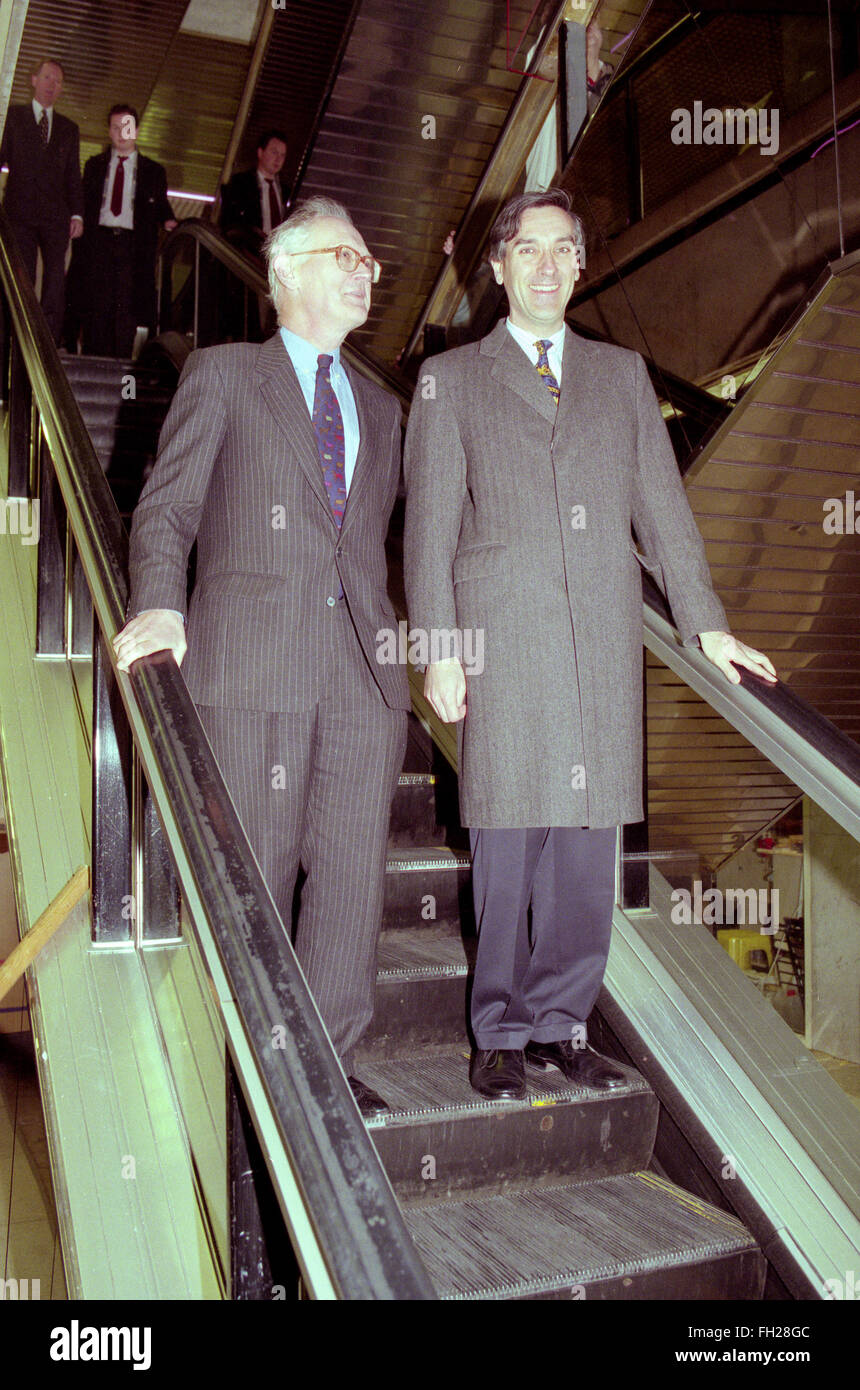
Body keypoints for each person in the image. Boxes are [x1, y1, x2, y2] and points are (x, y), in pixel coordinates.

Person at [403, 188, 777, 1101]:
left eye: (560, 249)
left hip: (601, 646)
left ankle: (562, 1025)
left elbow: (664, 512)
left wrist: (708, 621)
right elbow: (428, 532)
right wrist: (439, 649)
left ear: (578, 264)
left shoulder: (621, 375)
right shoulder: (452, 381)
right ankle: (497, 1028)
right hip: (505, 640)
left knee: (584, 850)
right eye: (524, 249)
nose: (542, 265)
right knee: (505, 842)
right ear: (496, 267)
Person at [113, 197, 409, 1117]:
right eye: (342, 256)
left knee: (351, 875)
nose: (363, 271)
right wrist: (161, 604)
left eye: (369, 260)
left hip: (361, 675)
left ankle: (327, 1070)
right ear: (284, 274)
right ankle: (234, 1070)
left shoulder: (385, 406)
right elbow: (166, 510)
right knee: (258, 871)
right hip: (249, 667)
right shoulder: (227, 375)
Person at [75, 104, 176, 358]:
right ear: (109, 131)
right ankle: (93, 364)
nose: (122, 133)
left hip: (133, 247)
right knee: (96, 307)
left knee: (126, 311)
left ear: (137, 131)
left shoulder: (154, 171)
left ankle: (123, 377)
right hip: (100, 243)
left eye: (127, 127)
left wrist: (169, 221)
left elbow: (162, 205)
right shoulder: (94, 165)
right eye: (116, 127)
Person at [0, 58, 83, 343]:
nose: (52, 85)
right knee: (23, 273)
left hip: (55, 217)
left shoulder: (68, 129)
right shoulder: (13, 116)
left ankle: (47, 339)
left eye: (58, 81)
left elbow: (73, 174)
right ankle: (18, 332)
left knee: (55, 278)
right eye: (47, 78)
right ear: (34, 79)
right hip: (19, 213)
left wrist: (77, 215)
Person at [220, 130, 290, 259]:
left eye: (283, 155)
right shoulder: (241, 183)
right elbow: (229, 224)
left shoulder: (286, 191)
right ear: (260, 152)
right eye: (274, 152)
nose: (278, 159)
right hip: (248, 255)